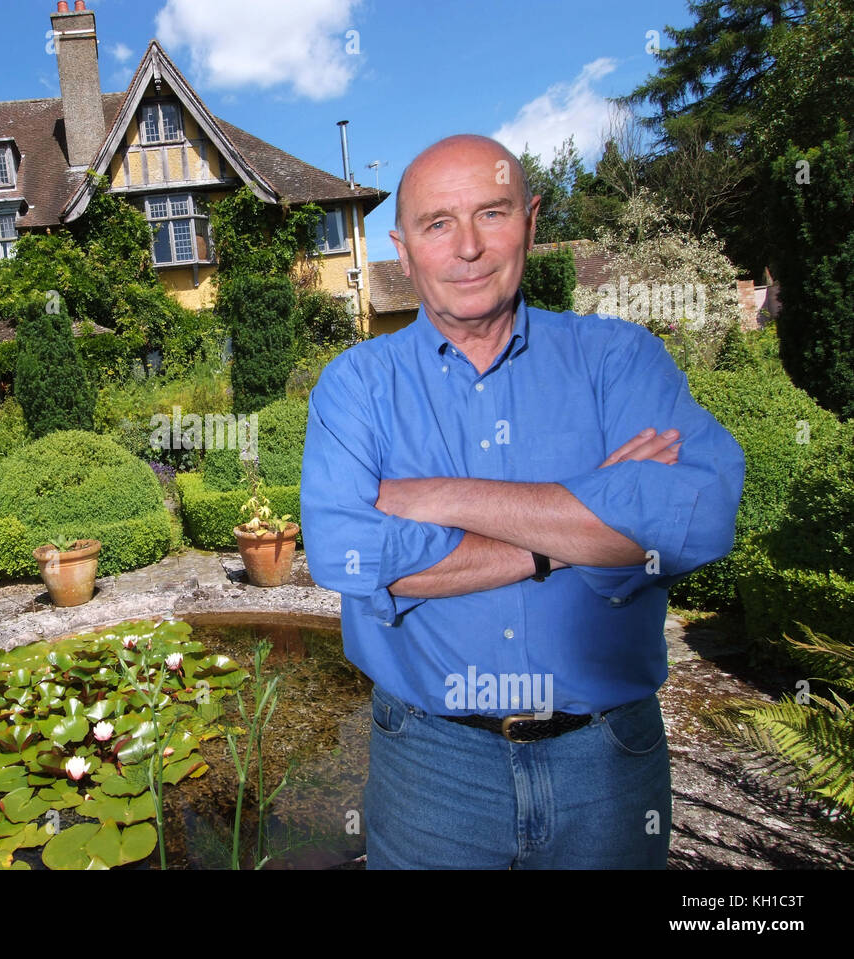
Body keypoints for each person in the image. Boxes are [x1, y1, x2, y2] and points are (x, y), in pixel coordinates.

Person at [299, 134, 745, 869]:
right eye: (437, 223)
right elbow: (350, 549)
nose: (467, 247)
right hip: (431, 770)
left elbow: (696, 513)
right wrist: (573, 525)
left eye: (493, 214)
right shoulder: (355, 386)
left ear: (531, 223)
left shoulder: (619, 360)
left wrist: (440, 497)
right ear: (403, 248)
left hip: (606, 762)